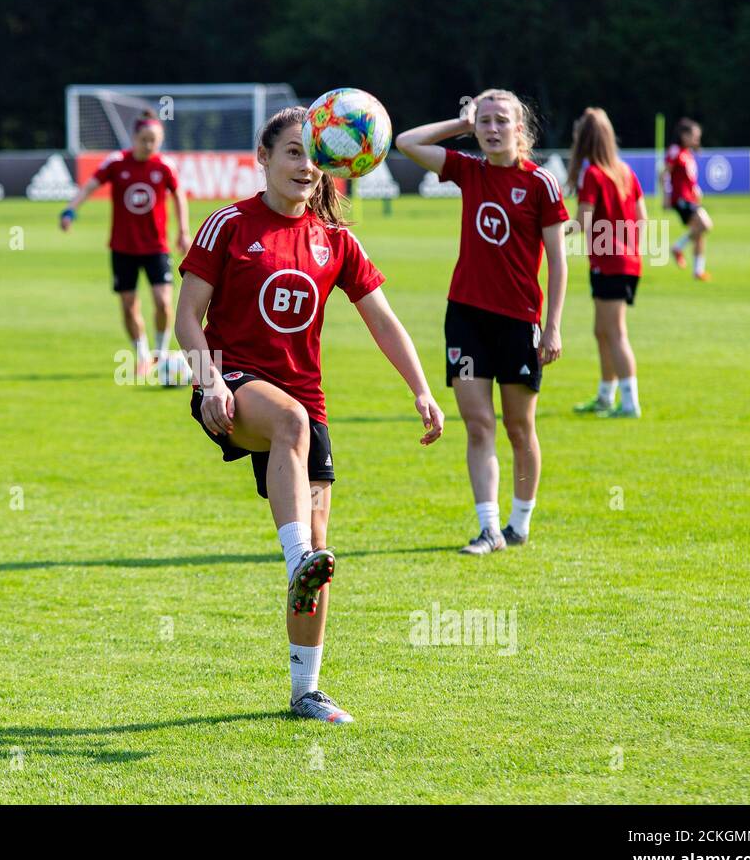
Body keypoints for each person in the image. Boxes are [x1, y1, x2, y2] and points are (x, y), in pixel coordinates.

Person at [176, 106, 444, 724]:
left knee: (319, 556)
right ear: (264, 158)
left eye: (313, 155)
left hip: (305, 399)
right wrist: (208, 379)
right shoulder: (228, 225)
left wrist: (422, 390)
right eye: (292, 152)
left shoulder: (336, 240)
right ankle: (296, 556)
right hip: (232, 385)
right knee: (290, 427)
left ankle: (306, 690)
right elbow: (188, 315)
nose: (304, 166)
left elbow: (383, 320)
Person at [396, 90, 568, 554]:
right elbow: (406, 143)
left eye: (501, 121)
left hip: (519, 322)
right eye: (485, 121)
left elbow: (558, 261)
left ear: (519, 129)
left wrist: (552, 326)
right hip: (466, 318)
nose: (491, 129)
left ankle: (519, 523)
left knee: (519, 428)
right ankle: (489, 528)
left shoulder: (540, 184)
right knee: (478, 424)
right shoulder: (469, 170)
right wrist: (460, 124)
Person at [61, 111, 190, 379]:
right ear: (134, 138)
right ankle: (142, 356)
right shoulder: (117, 162)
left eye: (154, 140)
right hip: (123, 248)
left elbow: (178, 195)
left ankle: (160, 353)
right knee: (129, 305)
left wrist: (183, 231)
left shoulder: (164, 166)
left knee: (163, 302)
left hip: (156, 247)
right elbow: (89, 186)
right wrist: (71, 210)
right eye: (144, 140)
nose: (149, 145)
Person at [567, 108, 646, 418]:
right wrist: (631, 249)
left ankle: (629, 403)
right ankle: (605, 396)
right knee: (602, 331)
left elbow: (582, 222)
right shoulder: (625, 171)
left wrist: (550, 231)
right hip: (625, 263)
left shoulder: (594, 175)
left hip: (609, 264)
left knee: (614, 333)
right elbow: (641, 218)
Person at [665, 118, 713, 280]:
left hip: (690, 198)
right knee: (705, 224)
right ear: (684, 135)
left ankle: (698, 271)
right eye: (694, 136)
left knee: (699, 232)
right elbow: (664, 173)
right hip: (681, 199)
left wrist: (696, 190)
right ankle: (677, 247)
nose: (697, 140)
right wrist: (666, 195)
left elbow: (689, 178)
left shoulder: (687, 154)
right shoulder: (675, 151)